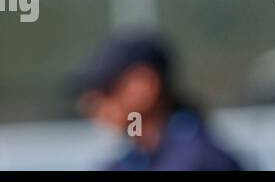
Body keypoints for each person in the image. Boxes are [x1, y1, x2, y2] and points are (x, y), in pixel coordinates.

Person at [73, 31, 243, 171]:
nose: (90, 103)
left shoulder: (202, 161)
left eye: (106, 89)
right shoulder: (135, 159)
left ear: (146, 85)